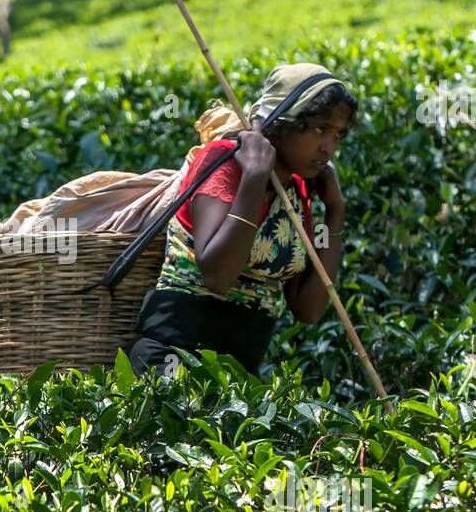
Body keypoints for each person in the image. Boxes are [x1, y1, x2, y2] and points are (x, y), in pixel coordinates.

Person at [127, 63, 356, 378]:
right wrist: (253, 179)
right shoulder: (224, 162)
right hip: (171, 362)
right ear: (282, 121)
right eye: (320, 129)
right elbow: (218, 276)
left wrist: (335, 213)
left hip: (239, 377)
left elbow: (308, 308)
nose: (328, 148)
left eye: (338, 134)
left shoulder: (295, 191)